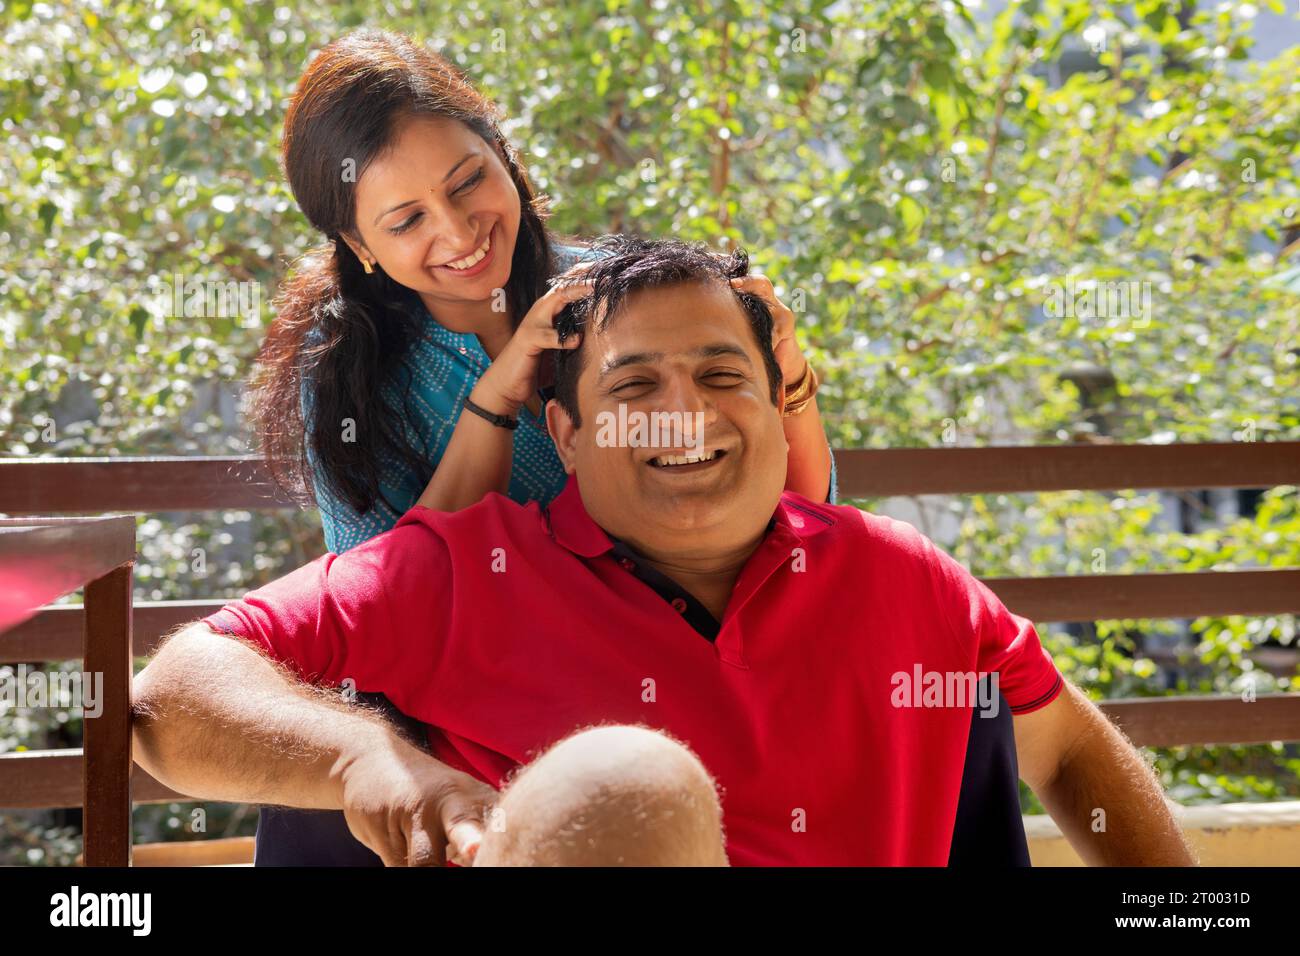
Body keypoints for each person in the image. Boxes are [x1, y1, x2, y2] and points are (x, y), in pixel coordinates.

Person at [133, 236, 1196, 867]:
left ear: (783, 408)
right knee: (628, 782)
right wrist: (371, 758)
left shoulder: (902, 574)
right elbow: (171, 697)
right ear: (567, 435)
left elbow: (1065, 749)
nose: (679, 414)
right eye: (633, 385)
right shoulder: (464, 567)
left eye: (722, 376)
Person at [247, 30, 835, 861]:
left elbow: (803, 513)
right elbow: (397, 606)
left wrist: (788, 373)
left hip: (659, 653)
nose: (458, 231)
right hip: (471, 701)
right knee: (316, 806)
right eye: (407, 219)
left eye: (468, 181)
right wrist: (499, 392)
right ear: (359, 248)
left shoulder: (620, 290)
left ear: (503, 151)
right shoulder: (344, 378)